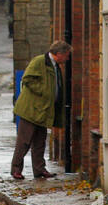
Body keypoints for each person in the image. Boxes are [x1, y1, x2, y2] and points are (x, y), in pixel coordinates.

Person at [11, 40, 72, 181]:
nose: (67, 58)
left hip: (43, 111)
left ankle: (39, 170)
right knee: (24, 142)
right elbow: (27, 79)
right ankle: (16, 170)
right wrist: (44, 92)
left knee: (39, 142)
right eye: (67, 55)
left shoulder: (55, 65)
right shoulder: (40, 61)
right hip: (31, 110)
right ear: (59, 54)